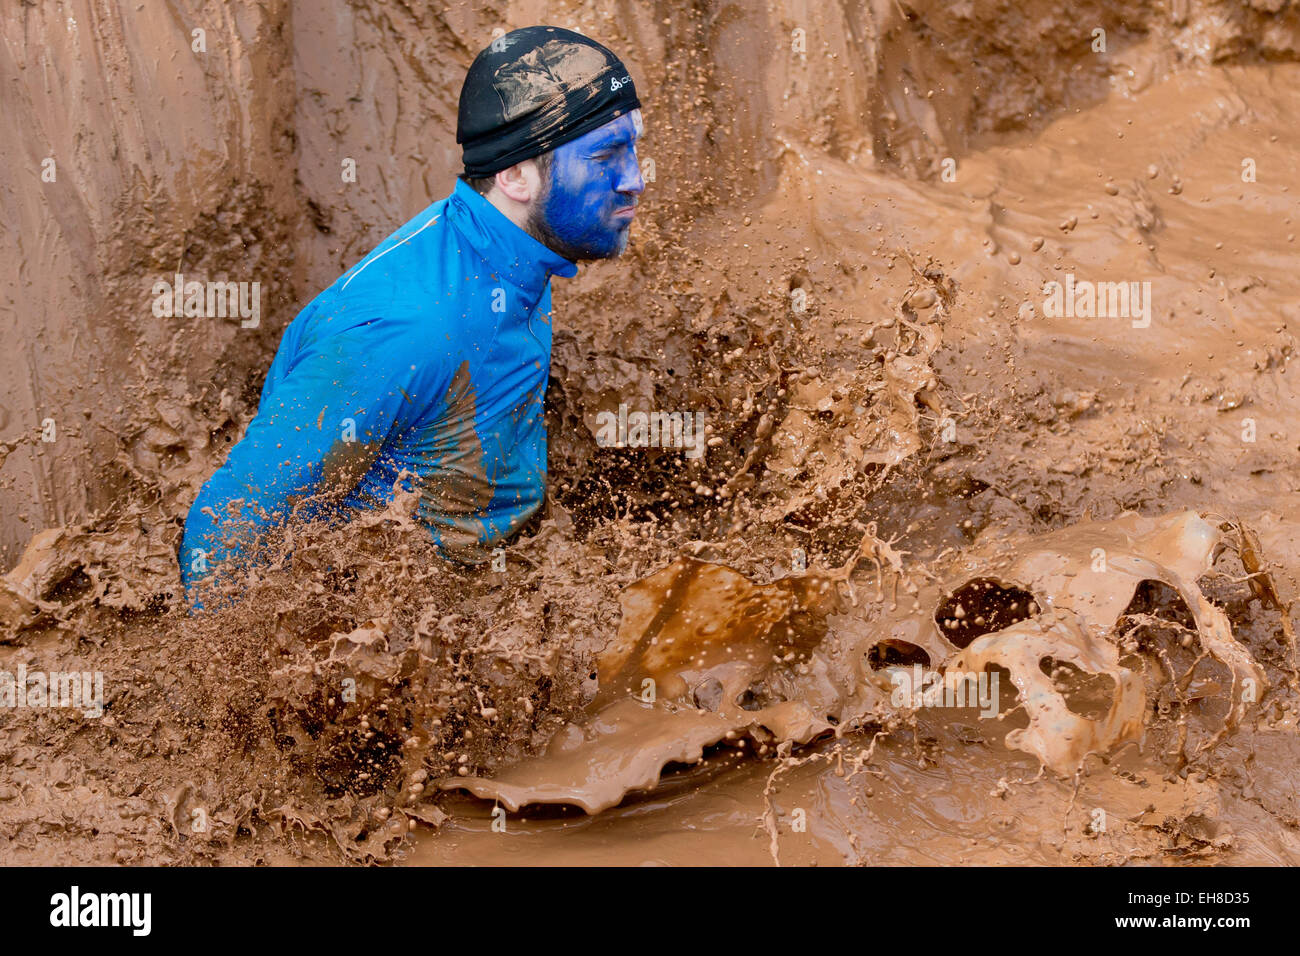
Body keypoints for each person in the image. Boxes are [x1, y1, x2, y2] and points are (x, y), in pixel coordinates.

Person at [179, 25, 644, 606]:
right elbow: (229, 520)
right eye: (606, 158)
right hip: (407, 627)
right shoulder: (408, 328)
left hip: (509, 575)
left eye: (633, 147)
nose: (635, 180)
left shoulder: (518, 254)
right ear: (516, 176)